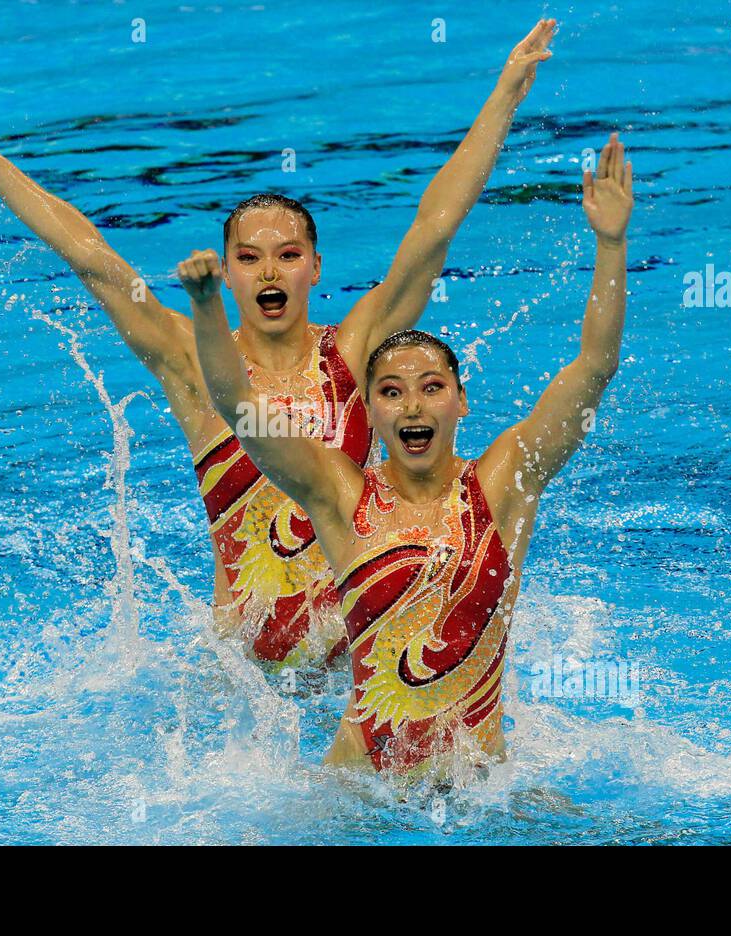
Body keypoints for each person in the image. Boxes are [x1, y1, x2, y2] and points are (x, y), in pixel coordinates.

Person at [0, 19, 556, 669]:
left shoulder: (354, 356)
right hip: (245, 683)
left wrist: (503, 96)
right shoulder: (192, 361)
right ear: (228, 271)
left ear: (316, 269)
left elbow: (433, 229)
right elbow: (90, 256)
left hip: (354, 663)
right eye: (250, 258)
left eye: (288, 254)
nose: (270, 272)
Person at [182, 133, 634, 774]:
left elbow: (594, 368)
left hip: (481, 791)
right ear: (370, 408)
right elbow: (236, 405)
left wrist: (611, 245)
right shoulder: (339, 496)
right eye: (391, 392)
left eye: (432, 388)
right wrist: (205, 307)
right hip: (353, 798)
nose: (413, 406)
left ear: (461, 401)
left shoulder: (504, 484)